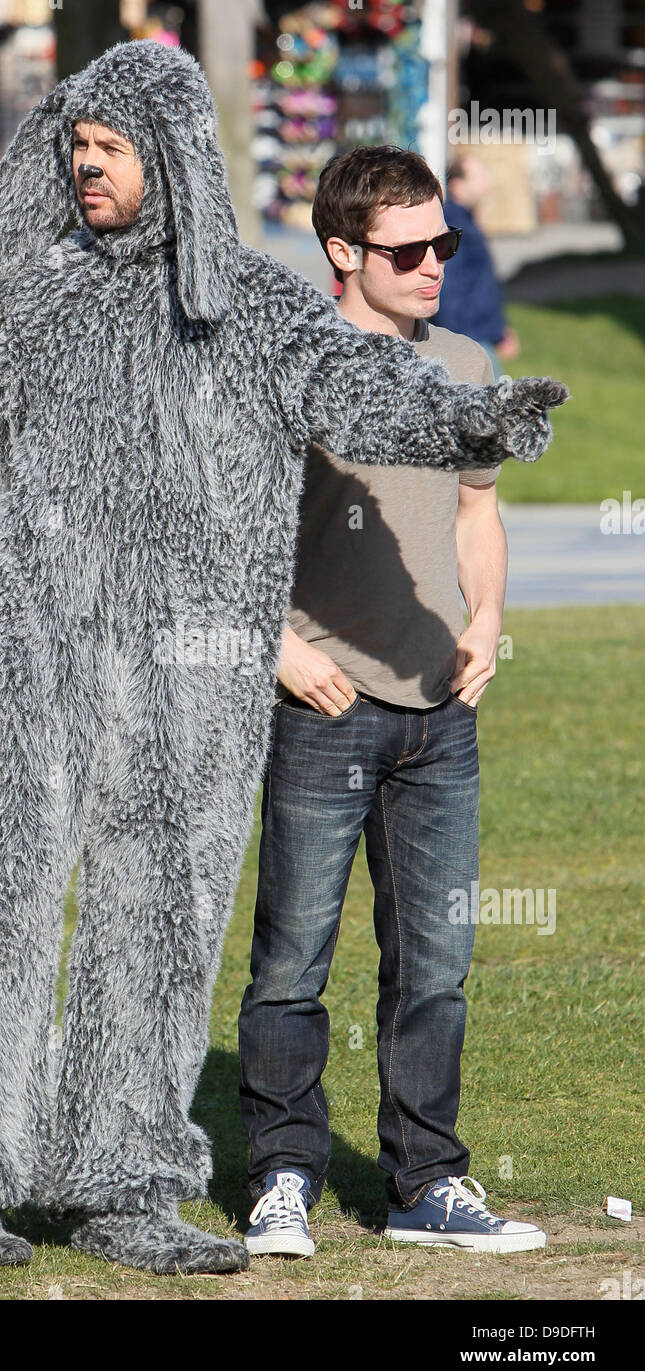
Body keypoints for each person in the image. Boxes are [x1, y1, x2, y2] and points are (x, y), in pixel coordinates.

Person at [0, 45, 566, 1277]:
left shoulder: (256, 306)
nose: (85, 168)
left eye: (108, 149)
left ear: (167, 155)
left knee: (158, 921)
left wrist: (467, 418)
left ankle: (123, 1181)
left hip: (201, 683)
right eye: (76, 148)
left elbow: (359, 381)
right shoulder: (44, 305)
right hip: (36, 661)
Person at [239, 145, 548, 1258]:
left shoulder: (465, 364)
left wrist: (483, 621)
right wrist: (274, 647)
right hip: (320, 709)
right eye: (408, 250)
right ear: (341, 253)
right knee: (291, 962)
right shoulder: (288, 366)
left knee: (436, 963)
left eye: (443, 245)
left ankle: (426, 1183)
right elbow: (219, 533)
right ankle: (281, 1174)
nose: (433, 266)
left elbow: (477, 515)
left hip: (440, 716)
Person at [432, 153, 519, 376]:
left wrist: (498, 330)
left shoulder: (467, 219)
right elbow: (447, 285)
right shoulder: (453, 225)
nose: (486, 180)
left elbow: (480, 283)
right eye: (478, 175)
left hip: (480, 334)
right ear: (457, 185)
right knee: (491, 407)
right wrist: (453, 344)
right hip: (467, 338)